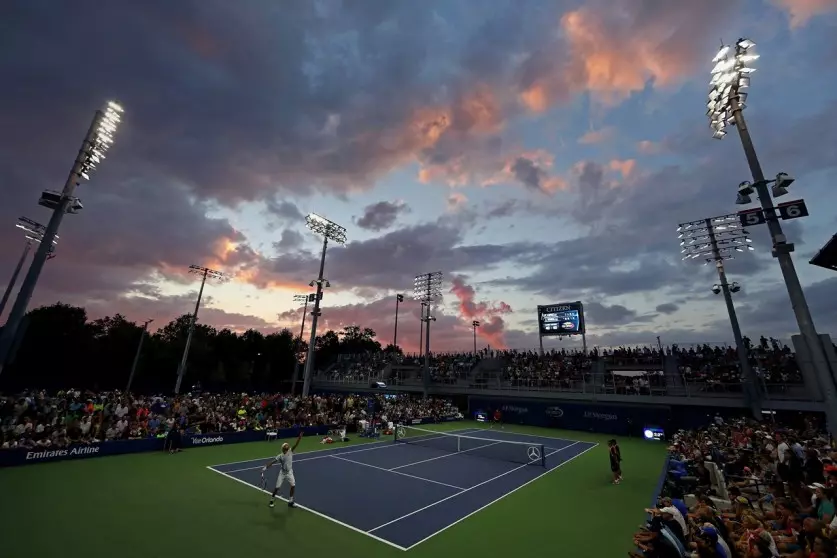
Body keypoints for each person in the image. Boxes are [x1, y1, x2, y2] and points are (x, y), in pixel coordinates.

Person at [263, 431, 303, 508]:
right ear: (284, 448)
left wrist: (299, 437)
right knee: (277, 487)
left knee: (293, 485)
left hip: (289, 472)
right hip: (282, 473)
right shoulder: (280, 456)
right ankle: (271, 500)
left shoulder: (290, 451)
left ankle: (290, 501)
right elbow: (272, 462)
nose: (287, 446)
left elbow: (296, 444)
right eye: (286, 446)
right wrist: (264, 468)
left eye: (287, 445)